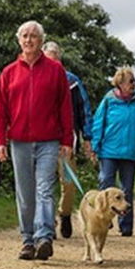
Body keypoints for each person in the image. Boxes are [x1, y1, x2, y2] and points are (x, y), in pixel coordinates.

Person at [0, 21, 74, 261]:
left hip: (49, 141)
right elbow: (1, 111)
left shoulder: (55, 70)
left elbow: (65, 107)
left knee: (44, 189)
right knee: (25, 193)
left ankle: (44, 237)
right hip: (19, 141)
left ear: (41, 40)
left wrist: (67, 140)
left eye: (34, 36)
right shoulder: (8, 73)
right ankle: (28, 240)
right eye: (25, 36)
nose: (29, 40)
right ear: (19, 40)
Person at [90, 66, 135, 236]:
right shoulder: (108, 101)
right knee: (105, 186)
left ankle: (126, 226)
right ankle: (104, 220)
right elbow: (98, 124)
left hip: (131, 153)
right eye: (131, 81)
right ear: (120, 83)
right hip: (109, 151)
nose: (134, 85)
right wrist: (95, 147)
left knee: (127, 190)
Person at [41, 41, 93, 239]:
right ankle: (47, 223)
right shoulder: (37, 79)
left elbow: (84, 110)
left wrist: (87, 137)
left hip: (66, 143)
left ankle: (64, 214)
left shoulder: (71, 81)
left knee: (68, 184)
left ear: (60, 61)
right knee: (44, 184)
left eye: (54, 61)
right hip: (42, 140)